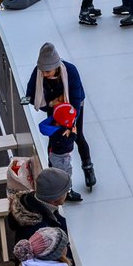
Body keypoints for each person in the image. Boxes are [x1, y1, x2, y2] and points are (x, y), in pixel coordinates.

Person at [25, 43, 95, 193]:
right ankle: (55, 179)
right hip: (54, 109)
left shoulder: (70, 71)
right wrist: (51, 104)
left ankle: (88, 168)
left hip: (73, 109)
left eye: (48, 71)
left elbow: (75, 97)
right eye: (42, 71)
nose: (44, 74)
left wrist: (70, 124)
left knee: (78, 136)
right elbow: (31, 96)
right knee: (54, 141)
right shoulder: (38, 72)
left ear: (56, 66)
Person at [8, 167, 72, 243]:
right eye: (65, 192)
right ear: (54, 198)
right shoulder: (44, 233)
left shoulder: (30, 201)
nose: (68, 193)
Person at [39, 104, 82, 202]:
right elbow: (66, 142)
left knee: (58, 173)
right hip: (61, 158)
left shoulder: (55, 126)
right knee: (65, 174)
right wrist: (74, 135)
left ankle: (60, 191)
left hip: (56, 156)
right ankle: (66, 192)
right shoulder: (60, 133)